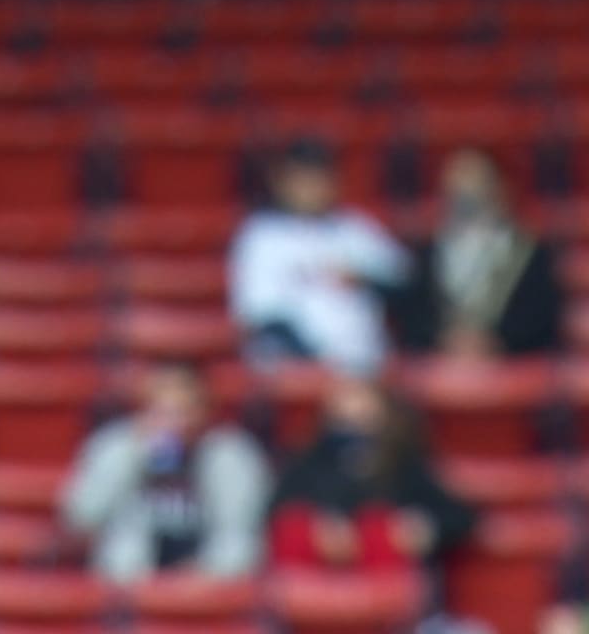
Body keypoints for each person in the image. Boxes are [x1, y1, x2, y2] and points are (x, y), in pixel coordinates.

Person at [58, 362, 272, 583]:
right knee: (121, 547)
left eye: (184, 409)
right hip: (131, 587)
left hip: (209, 590)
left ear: (206, 410)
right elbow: (82, 519)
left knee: (242, 551)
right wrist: (132, 453)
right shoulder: (118, 445)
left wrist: (199, 577)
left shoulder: (231, 454)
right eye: (163, 409)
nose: (175, 421)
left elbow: (239, 535)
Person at [229, 137, 410, 376]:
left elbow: (404, 279)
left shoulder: (355, 229)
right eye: (302, 180)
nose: (311, 189)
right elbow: (260, 315)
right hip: (298, 369)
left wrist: (364, 279)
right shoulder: (261, 236)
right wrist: (320, 363)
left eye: (318, 179)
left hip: (364, 367)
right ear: (282, 183)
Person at [270, 375, 475, 573]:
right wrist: (322, 526)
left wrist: (424, 529)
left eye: (364, 410)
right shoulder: (308, 462)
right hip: (314, 584)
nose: (354, 417)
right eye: (344, 416)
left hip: (387, 584)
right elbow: (275, 514)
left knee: (379, 527)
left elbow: (460, 517)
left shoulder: (403, 465)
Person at [391, 148, 564, 358]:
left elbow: (541, 317)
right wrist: (446, 341)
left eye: (474, 181)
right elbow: (413, 316)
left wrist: (495, 344)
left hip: (509, 366)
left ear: (499, 188)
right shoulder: (427, 253)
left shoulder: (531, 254)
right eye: (456, 182)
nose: (463, 191)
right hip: (442, 366)